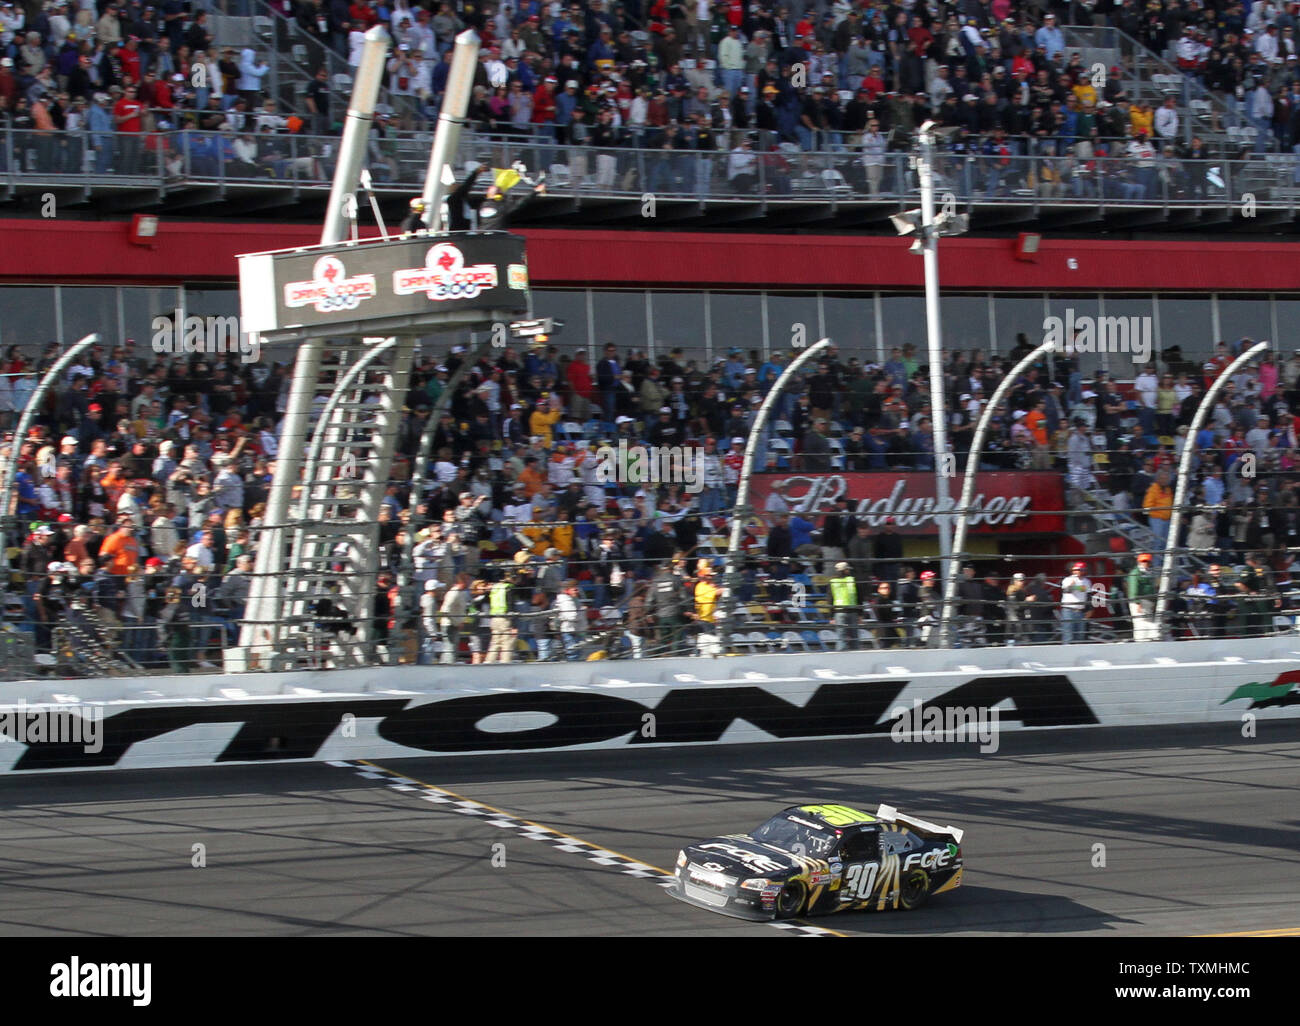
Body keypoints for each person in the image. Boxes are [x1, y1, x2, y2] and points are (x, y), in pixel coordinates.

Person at [1127, 552, 1159, 642]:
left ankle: (1146, 641)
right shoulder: (1136, 573)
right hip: (1140, 603)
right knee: (1141, 623)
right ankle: (1141, 642)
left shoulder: (1148, 573)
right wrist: (1137, 603)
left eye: (1147, 561)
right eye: (1143, 561)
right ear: (1139, 562)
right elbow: (1133, 589)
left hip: (1147, 603)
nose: (1145, 563)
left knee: (1144, 622)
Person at [829, 561, 858, 651]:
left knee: (841, 635)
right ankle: (857, 654)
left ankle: (840, 655)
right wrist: (860, 613)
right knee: (854, 635)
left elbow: (830, 599)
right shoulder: (852, 580)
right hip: (852, 610)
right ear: (845, 570)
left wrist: (831, 616)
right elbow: (859, 596)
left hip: (839, 611)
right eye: (847, 570)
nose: (849, 571)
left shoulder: (832, 582)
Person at [1060, 561, 1091, 643]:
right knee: (1068, 635)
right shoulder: (1068, 579)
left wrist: (1090, 609)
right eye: (1077, 570)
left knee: (1080, 636)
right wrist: (1073, 587)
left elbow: (1088, 595)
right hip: (1068, 610)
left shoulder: (1087, 581)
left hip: (1080, 611)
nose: (1078, 572)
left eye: (1081, 570)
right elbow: (1066, 590)